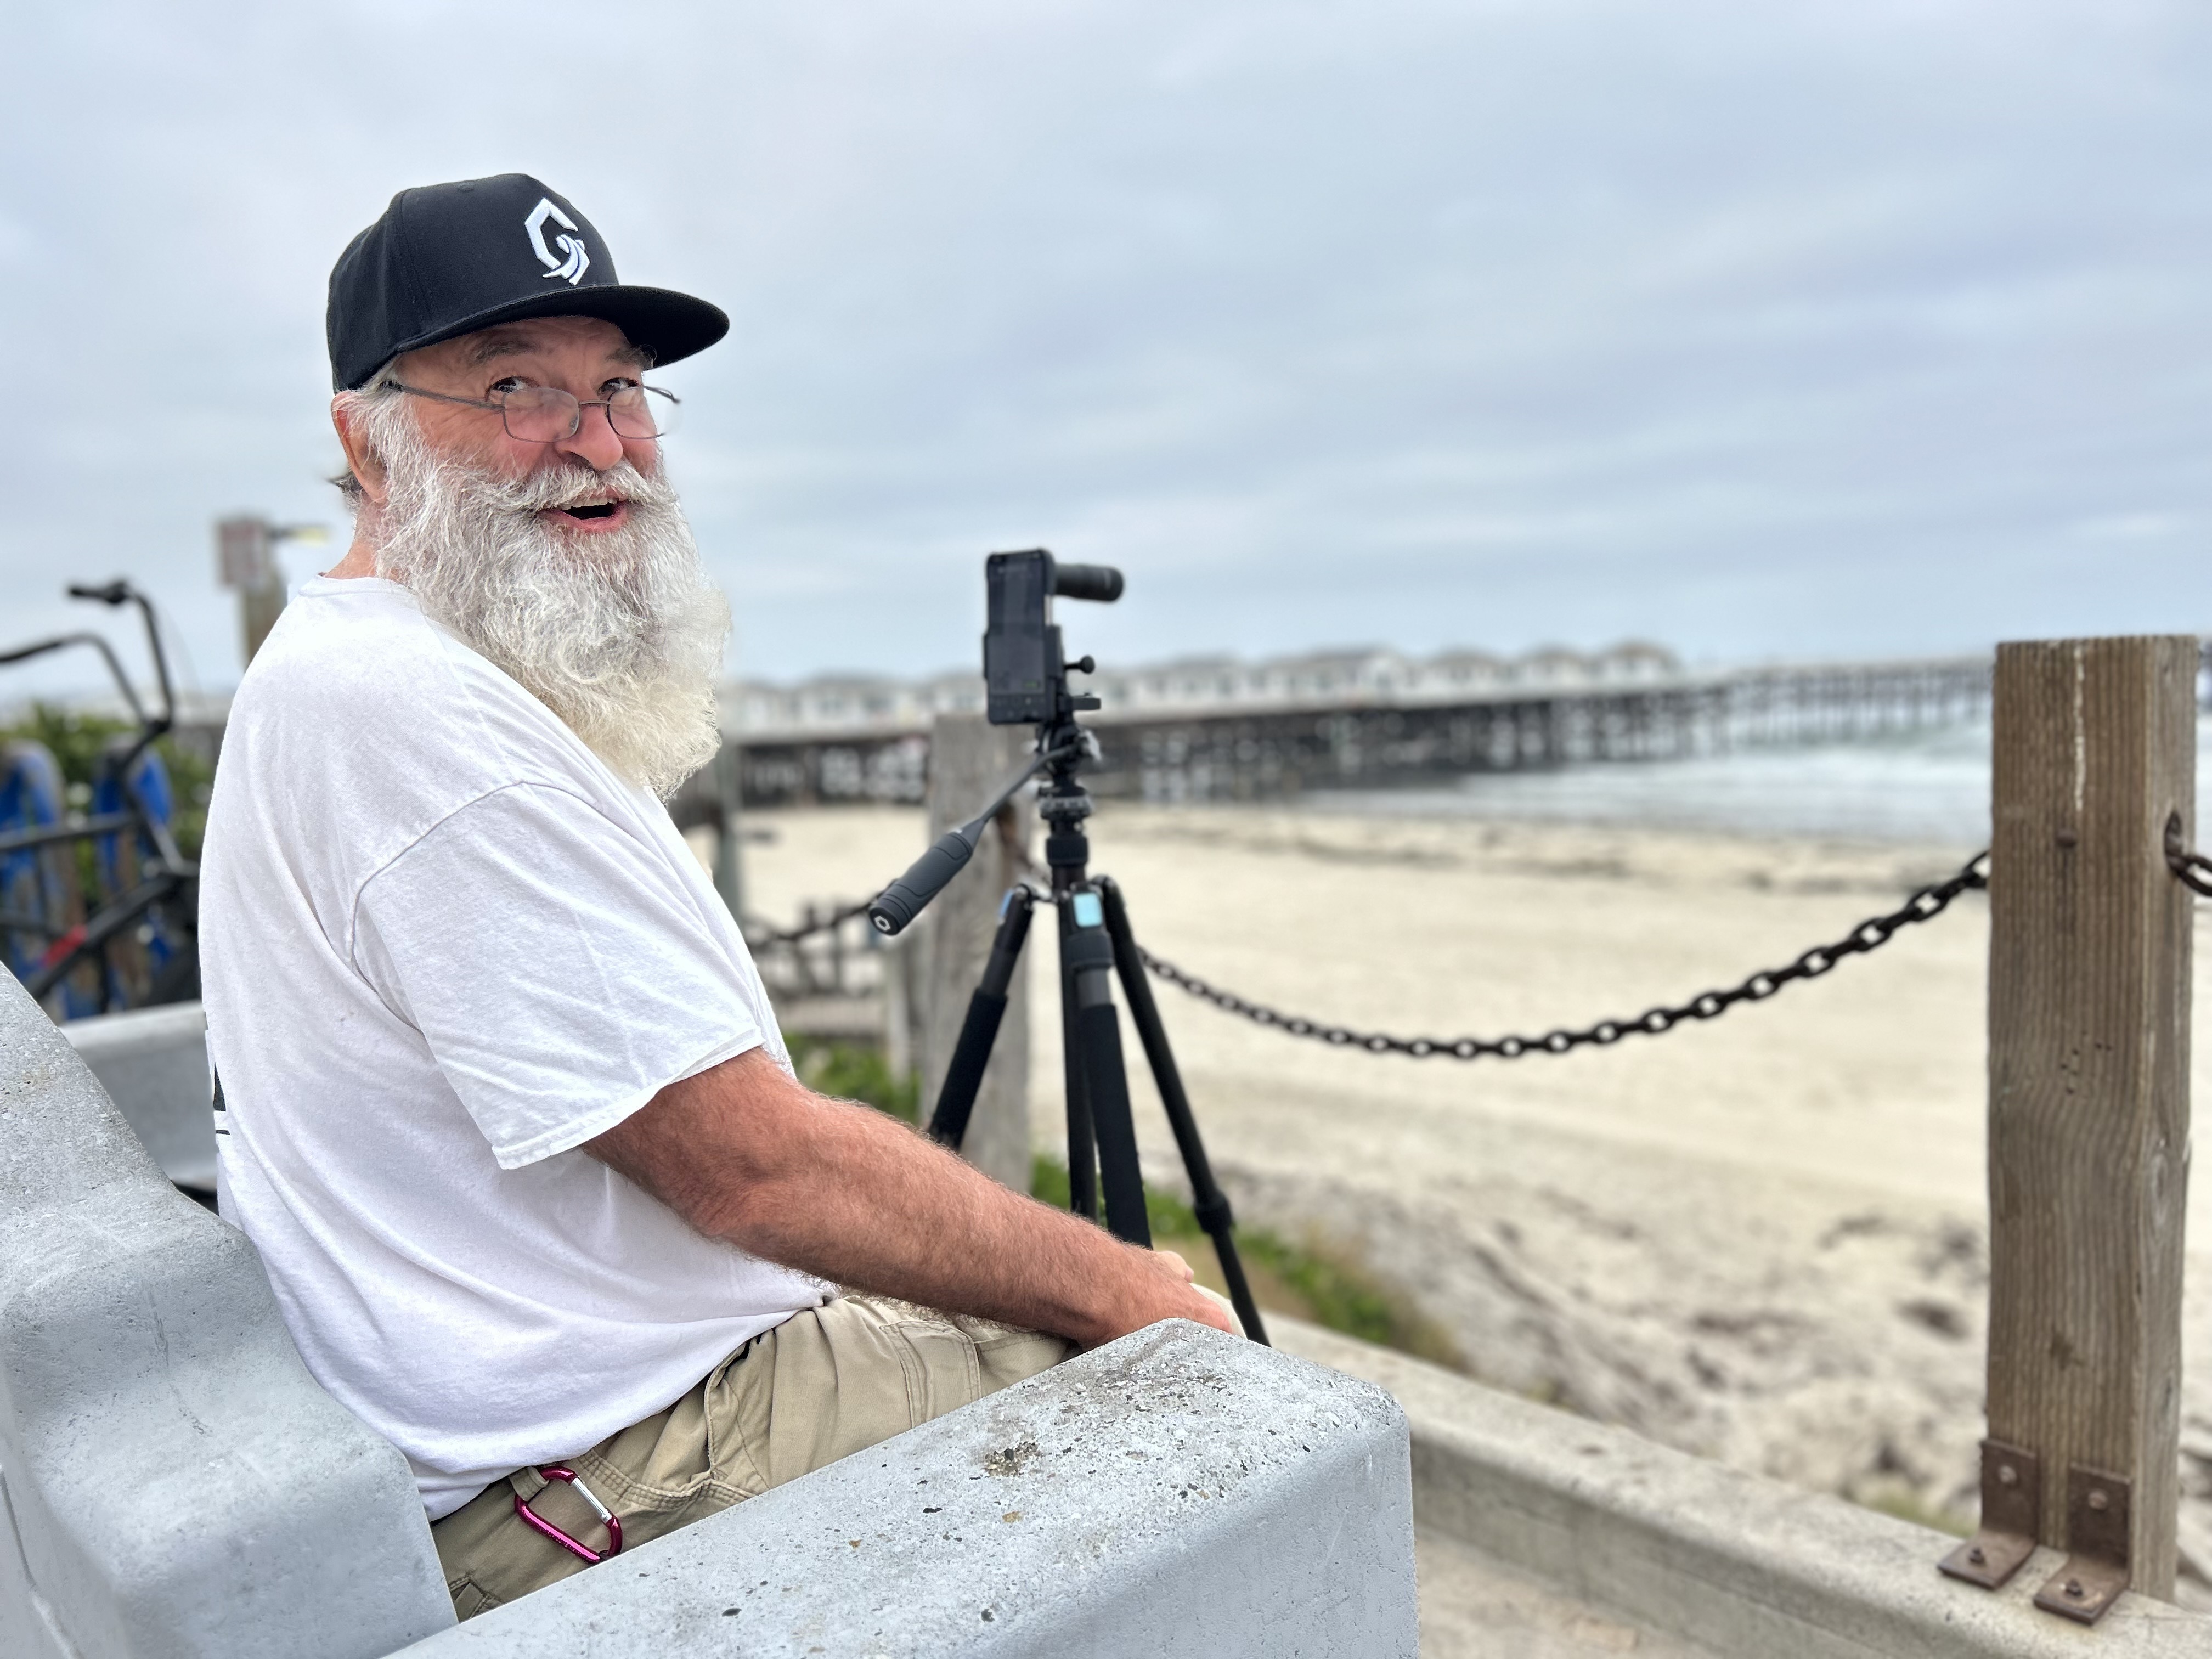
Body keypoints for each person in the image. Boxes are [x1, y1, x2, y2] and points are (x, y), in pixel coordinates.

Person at [198, 173, 1232, 1621]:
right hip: (611, 1460)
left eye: (620, 390)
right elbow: (756, 1172)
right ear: (364, 440)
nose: (596, 442)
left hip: (551, 1400)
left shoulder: (400, 675)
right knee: (1193, 1385)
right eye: (515, 388)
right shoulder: (415, 722)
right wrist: (1122, 1285)